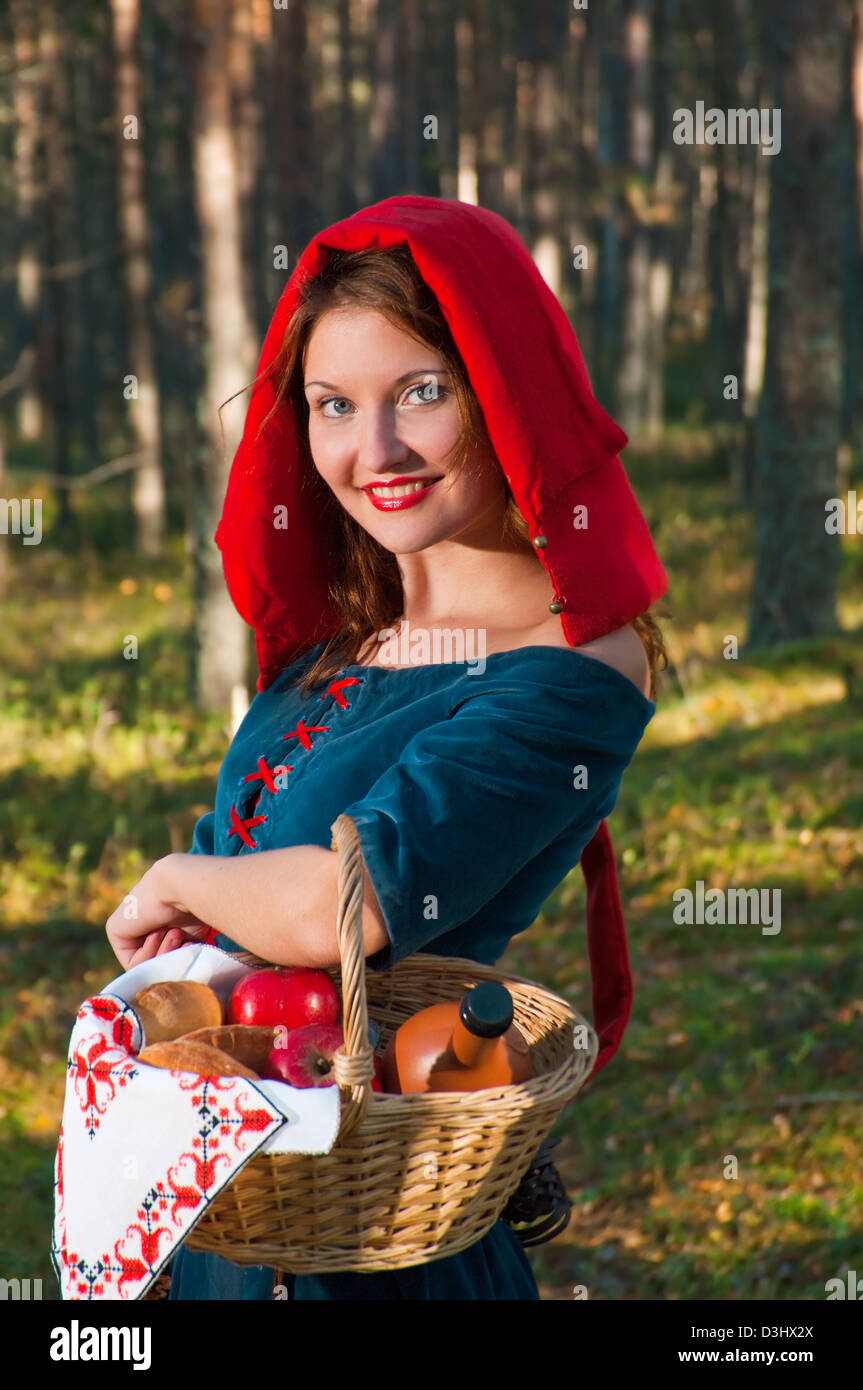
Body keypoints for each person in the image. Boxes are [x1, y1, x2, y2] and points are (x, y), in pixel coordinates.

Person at [105, 195, 668, 1300]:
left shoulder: (572, 666)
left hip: (384, 1242)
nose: (376, 451)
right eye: (332, 405)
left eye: (421, 392)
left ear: (501, 392)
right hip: (236, 1213)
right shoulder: (332, 640)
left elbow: (353, 905)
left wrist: (180, 876)